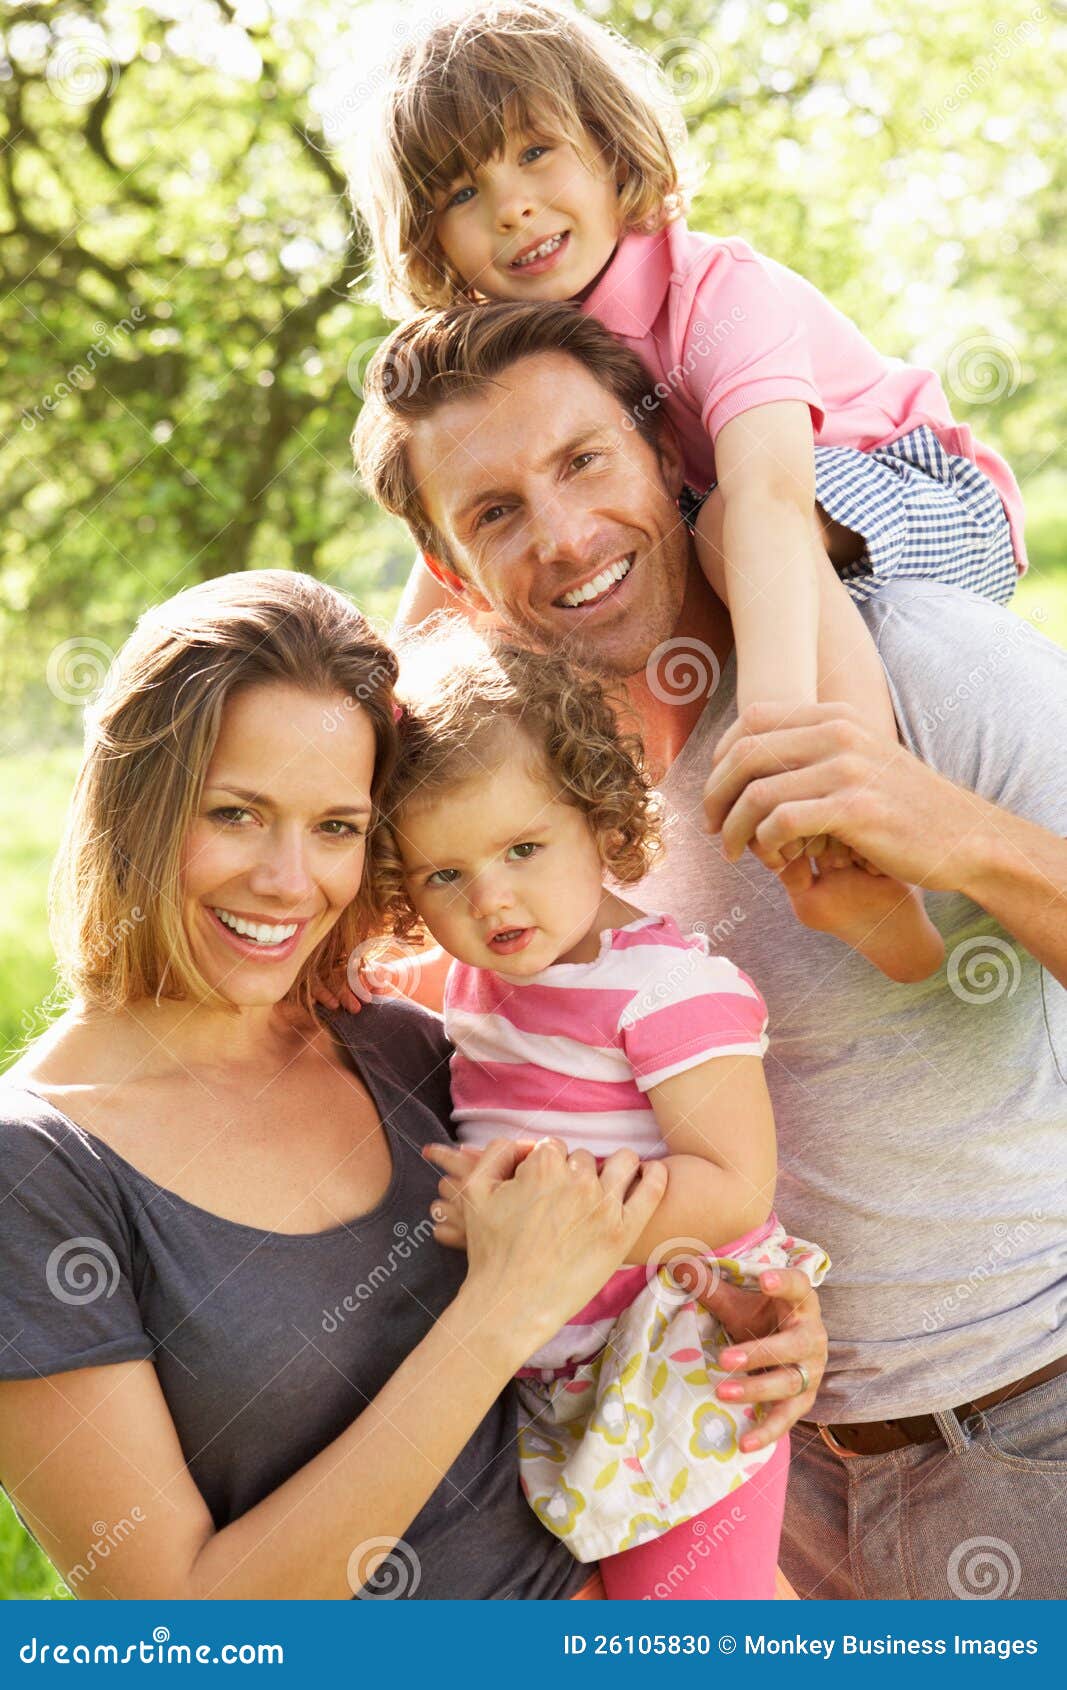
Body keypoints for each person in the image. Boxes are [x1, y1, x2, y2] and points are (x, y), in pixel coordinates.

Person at [351, 299, 1067, 1600]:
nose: (564, 535)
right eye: (495, 511)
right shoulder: (518, 814)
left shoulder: (914, 663)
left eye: (582, 461)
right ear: (450, 572)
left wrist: (956, 837)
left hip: (1026, 1428)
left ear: (663, 455)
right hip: (757, 1460)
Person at [0, 569, 825, 1601]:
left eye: (337, 826)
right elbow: (170, 1627)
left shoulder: (395, 1043)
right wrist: (498, 1310)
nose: (290, 880)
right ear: (137, 804)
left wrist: (747, 1308)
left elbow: (642, 1197)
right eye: (237, 812)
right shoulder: (36, 1168)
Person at [351, 0, 1031, 983]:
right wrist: (372, 713)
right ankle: (861, 928)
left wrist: (773, 724)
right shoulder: (533, 364)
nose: (511, 206)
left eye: (537, 151)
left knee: (715, 524)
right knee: (532, 593)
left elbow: (761, 499)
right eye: (464, 190)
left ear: (610, 146)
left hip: (927, 502)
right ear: (434, 240)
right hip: (764, 521)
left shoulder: (716, 290)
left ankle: (836, 815)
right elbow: (453, 582)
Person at [374, 622, 829, 1598]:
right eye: (442, 875)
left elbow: (729, 1188)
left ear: (598, 818)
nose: (491, 899)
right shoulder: (485, 973)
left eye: (523, 847)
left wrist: (533, 1219)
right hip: (568, 1381)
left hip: (680, 1369)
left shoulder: (664, 987)